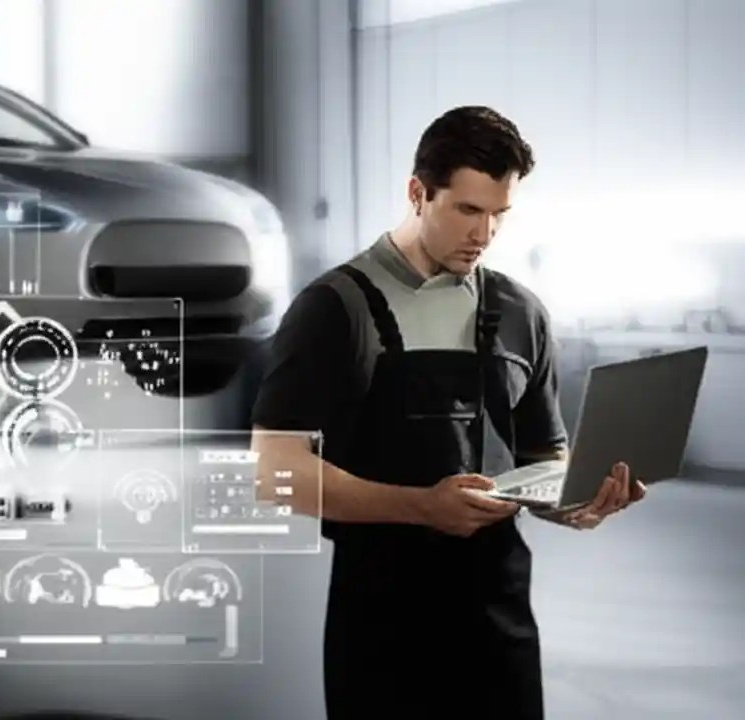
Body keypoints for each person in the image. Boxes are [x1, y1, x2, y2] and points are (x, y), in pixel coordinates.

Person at [250, 106, 646, 719]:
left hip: (500, 621)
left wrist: (579, 502)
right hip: (384, 626)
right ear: (418, 193)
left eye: (499, 214)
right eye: (467, 210)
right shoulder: (335, 308)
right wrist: (420, 506)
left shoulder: (522, 311)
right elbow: (273, 472)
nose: (484, 234)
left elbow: (545, 456)